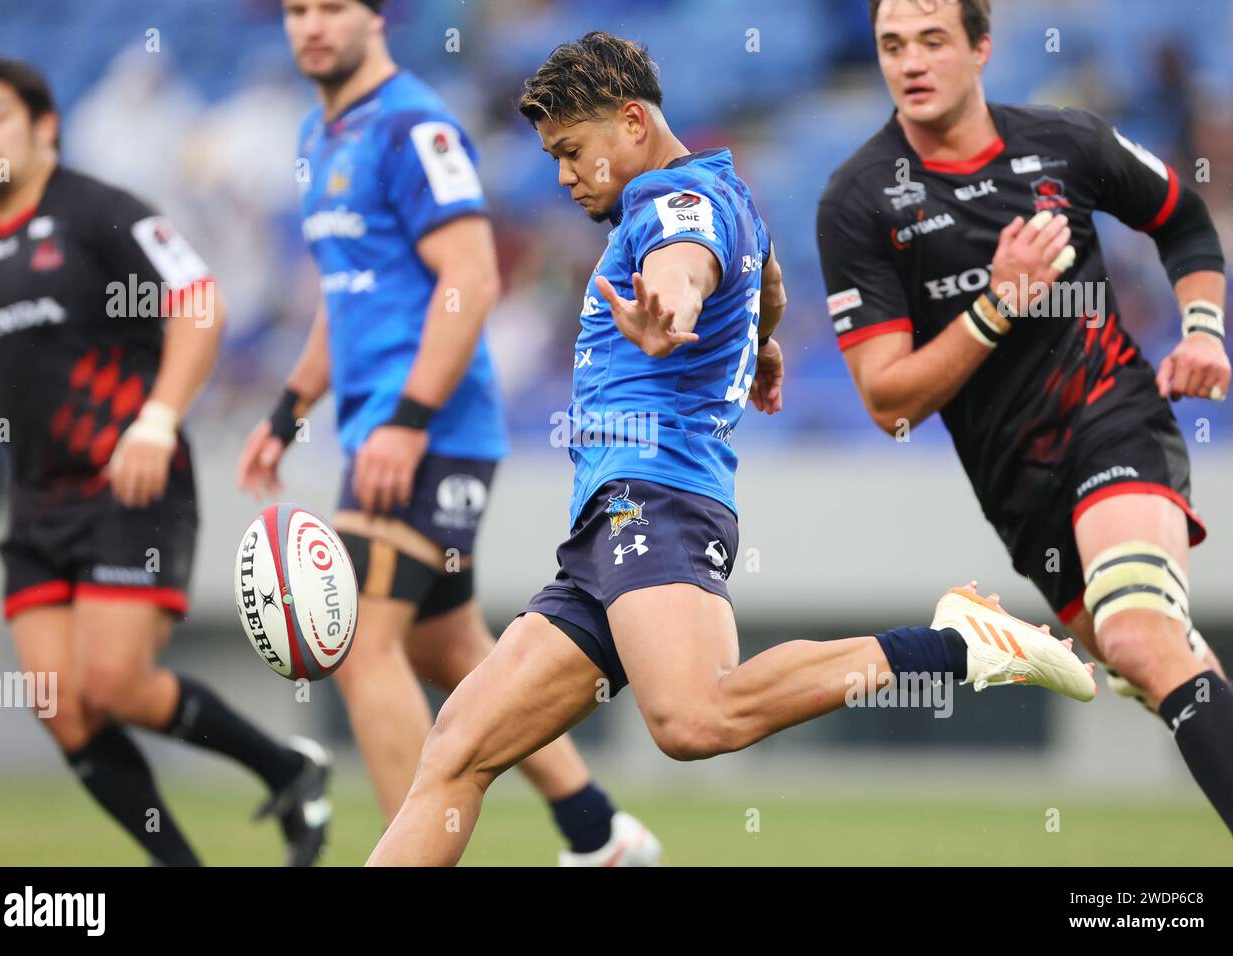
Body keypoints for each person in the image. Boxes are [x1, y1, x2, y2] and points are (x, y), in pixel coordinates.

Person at [366, 31, 1095, 867]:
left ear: (633, 122)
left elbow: (683, 269)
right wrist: (760, 344)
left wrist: (675, 316)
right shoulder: (724, 191)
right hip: (608, 528)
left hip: (656, 499)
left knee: (695, 718)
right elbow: (769, 285)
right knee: (458, 748)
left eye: (571, 151)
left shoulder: (670, 206)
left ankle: (961, 644)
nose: (562, 176)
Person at [817, 0, 1233, 864]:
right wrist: (996, 305)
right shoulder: (858, 200)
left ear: (981, 46)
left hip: (1114, 423)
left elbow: (1182, 218)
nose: (911, 62)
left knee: (1136, 635)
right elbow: (889, 402)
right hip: (1019, 494)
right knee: (1159, 667)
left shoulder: (1065, 143)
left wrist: (1201, 327)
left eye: (933, 41)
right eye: (891, 45)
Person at [236, 0, 660, 865]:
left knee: (359, 647)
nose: (311, 25)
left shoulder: (414, 127)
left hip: (428, 432)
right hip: (382, 432)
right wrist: (288, 411)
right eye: (295, 10)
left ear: (376, 17)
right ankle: (600, 834)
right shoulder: (323, 141)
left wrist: (409, 419)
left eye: (331, 8)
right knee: (449, 648)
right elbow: (345, 297)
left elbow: (469, 276)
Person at [0, 55, 329, 866]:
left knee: (114, 682)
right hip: (37, 507)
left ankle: (284, 764)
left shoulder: (99, 212)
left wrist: (158, 420)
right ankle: (217, 835)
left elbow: (199, 301)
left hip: (131, 486)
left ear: (43, 126)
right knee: (62, 707)